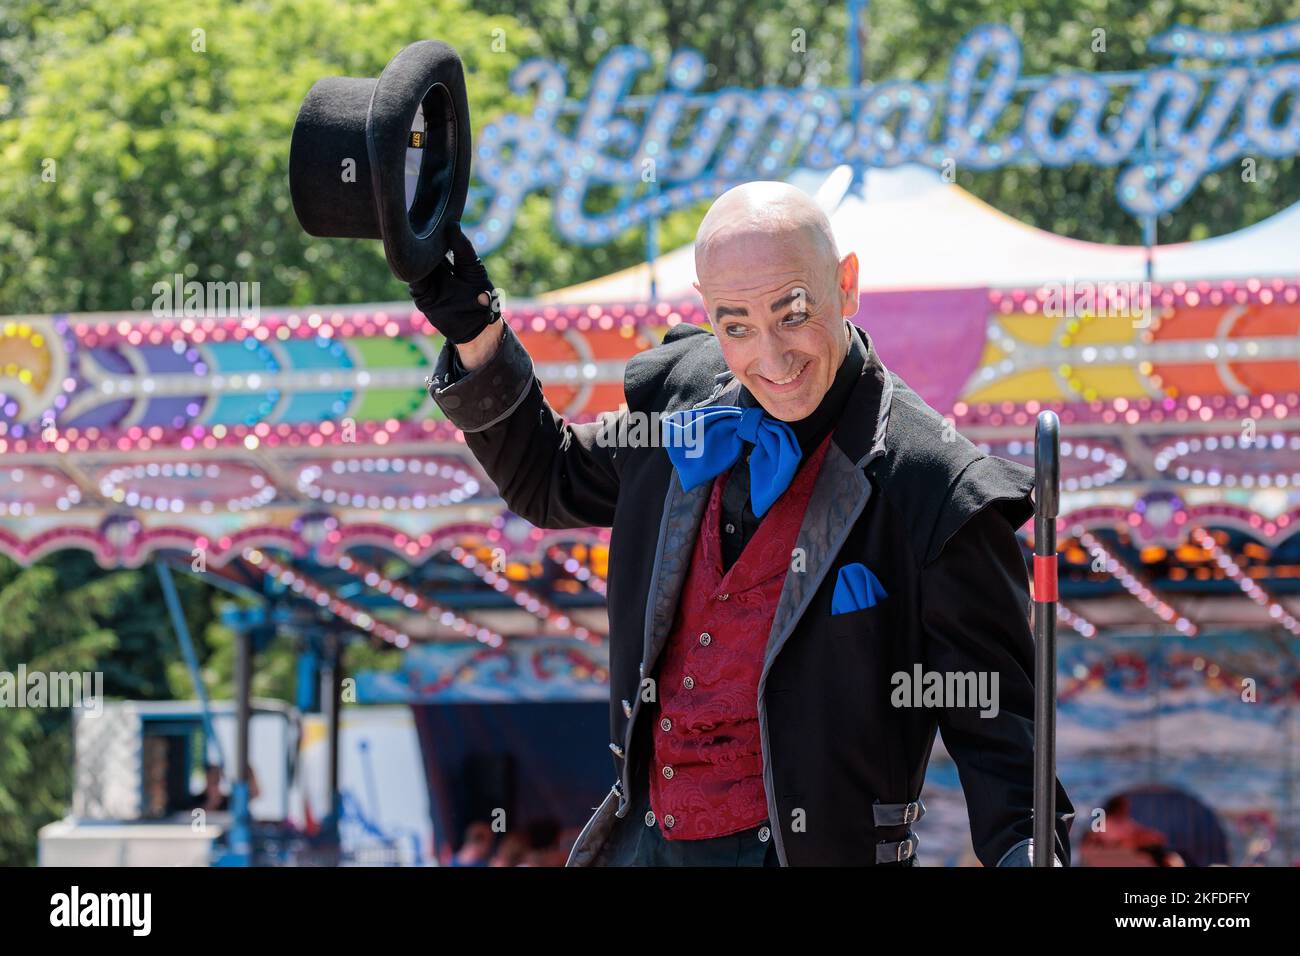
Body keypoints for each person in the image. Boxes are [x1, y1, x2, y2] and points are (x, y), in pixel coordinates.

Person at [411, 181, 1075, 867]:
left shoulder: (936, 486)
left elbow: (1005, 745)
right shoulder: (682, 402)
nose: (771, 356)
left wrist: (1029, 852)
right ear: (705, 307)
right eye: (735, 326)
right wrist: (477, 334)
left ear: (846, 285)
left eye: (793, 313)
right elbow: (547, 479)